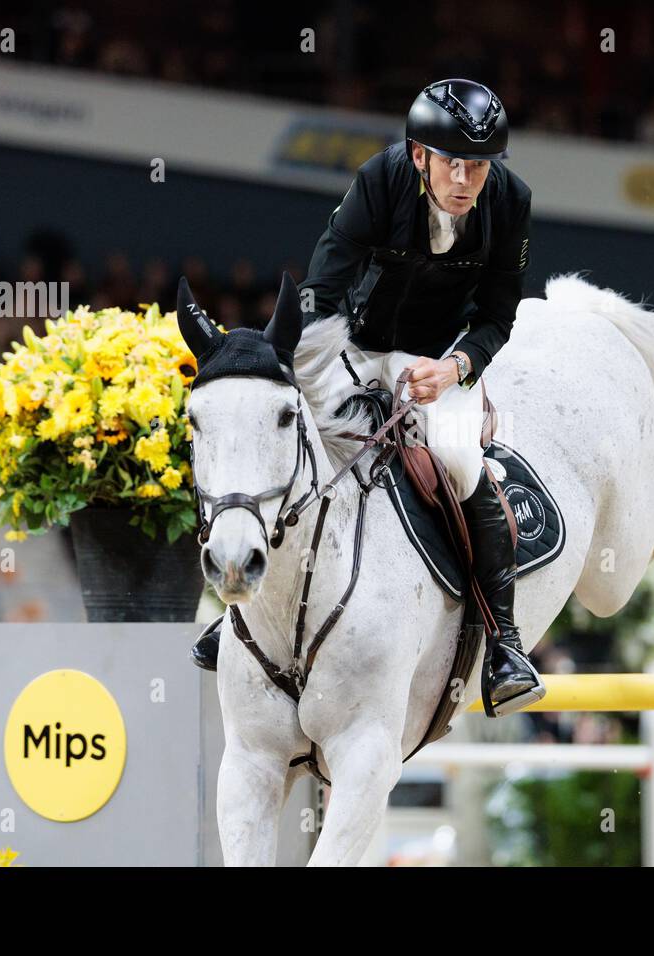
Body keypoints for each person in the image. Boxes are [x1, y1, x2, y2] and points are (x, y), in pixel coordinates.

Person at [190, 79, 543, 715]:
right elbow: (321, 290)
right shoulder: (378, 182)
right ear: (420, 157)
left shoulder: (510, 203)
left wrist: (456, 366)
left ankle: (504, 643)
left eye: (480, 166)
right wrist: (299, 375)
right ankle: (241, 612)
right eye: (453, 163)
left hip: (439, 358)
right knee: (299, 444)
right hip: (353, 343)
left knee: (461, 462)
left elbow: (498, 316)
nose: (466, 180)